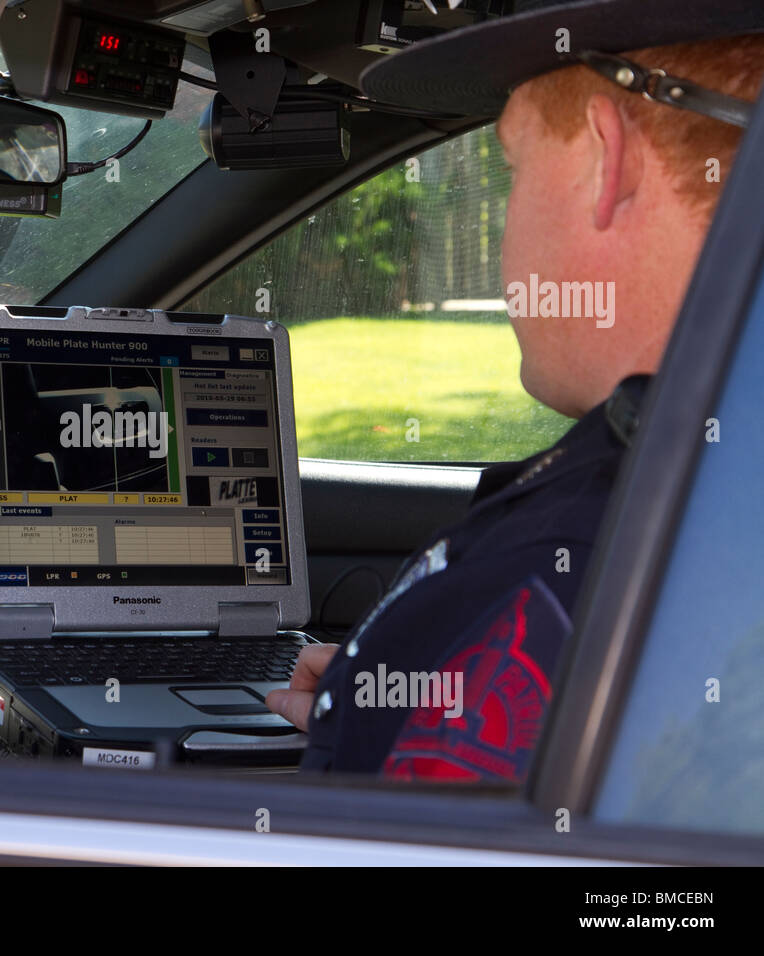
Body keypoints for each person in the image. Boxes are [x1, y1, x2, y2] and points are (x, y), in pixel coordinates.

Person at [265, 0, 764, 781]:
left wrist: (367, 746)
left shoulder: (565, 571)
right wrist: (382, 705)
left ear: (609, 161)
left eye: (514, 167)